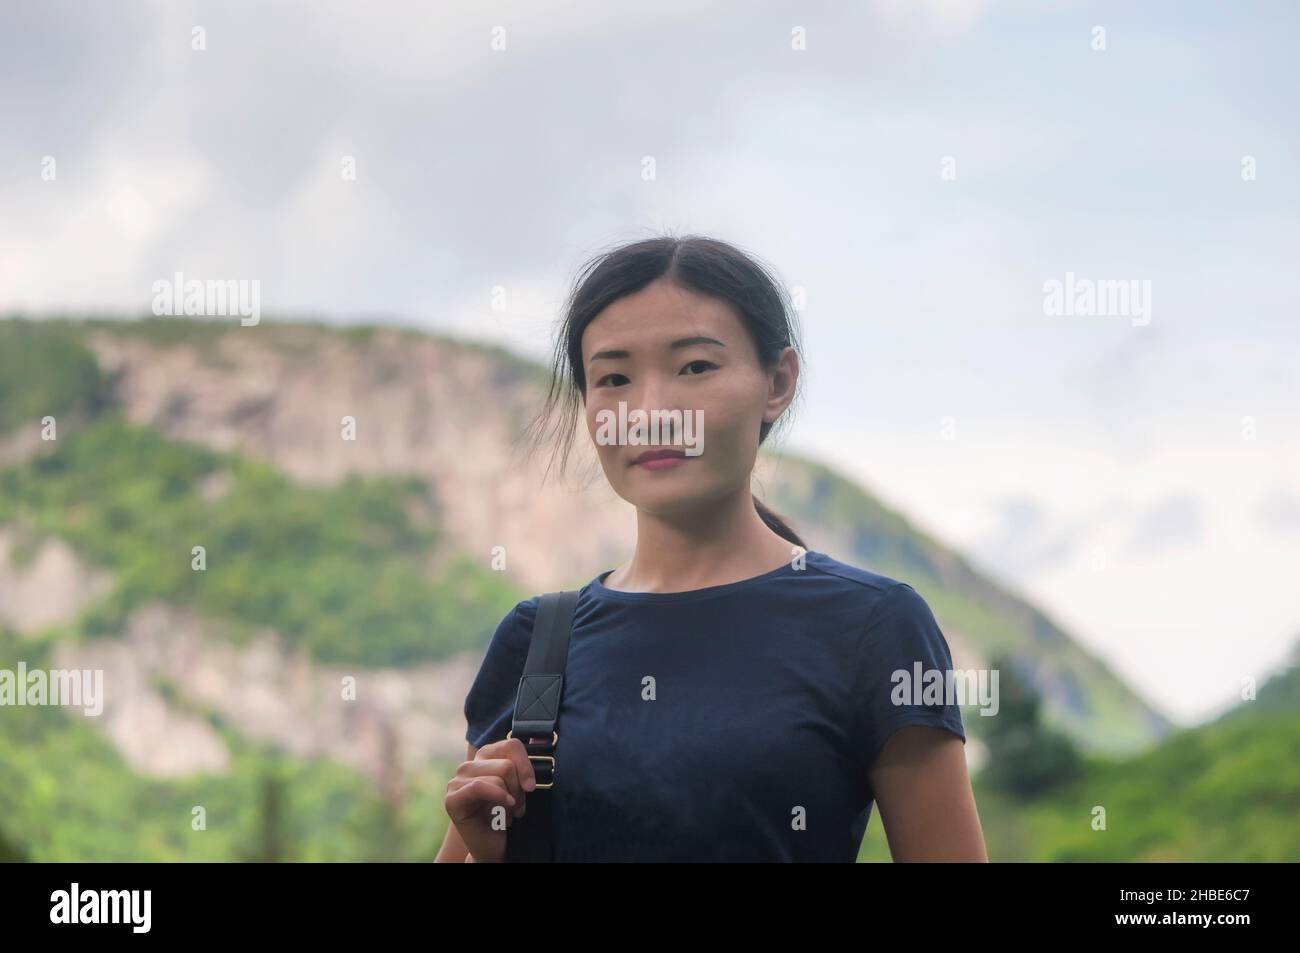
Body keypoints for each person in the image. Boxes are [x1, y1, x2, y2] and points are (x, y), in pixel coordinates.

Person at [437, 234, 987, 862]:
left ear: (777, 381)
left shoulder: (873, 626)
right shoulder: (536, 642)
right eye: (613, 378)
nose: (651, 411)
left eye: (695, 367)